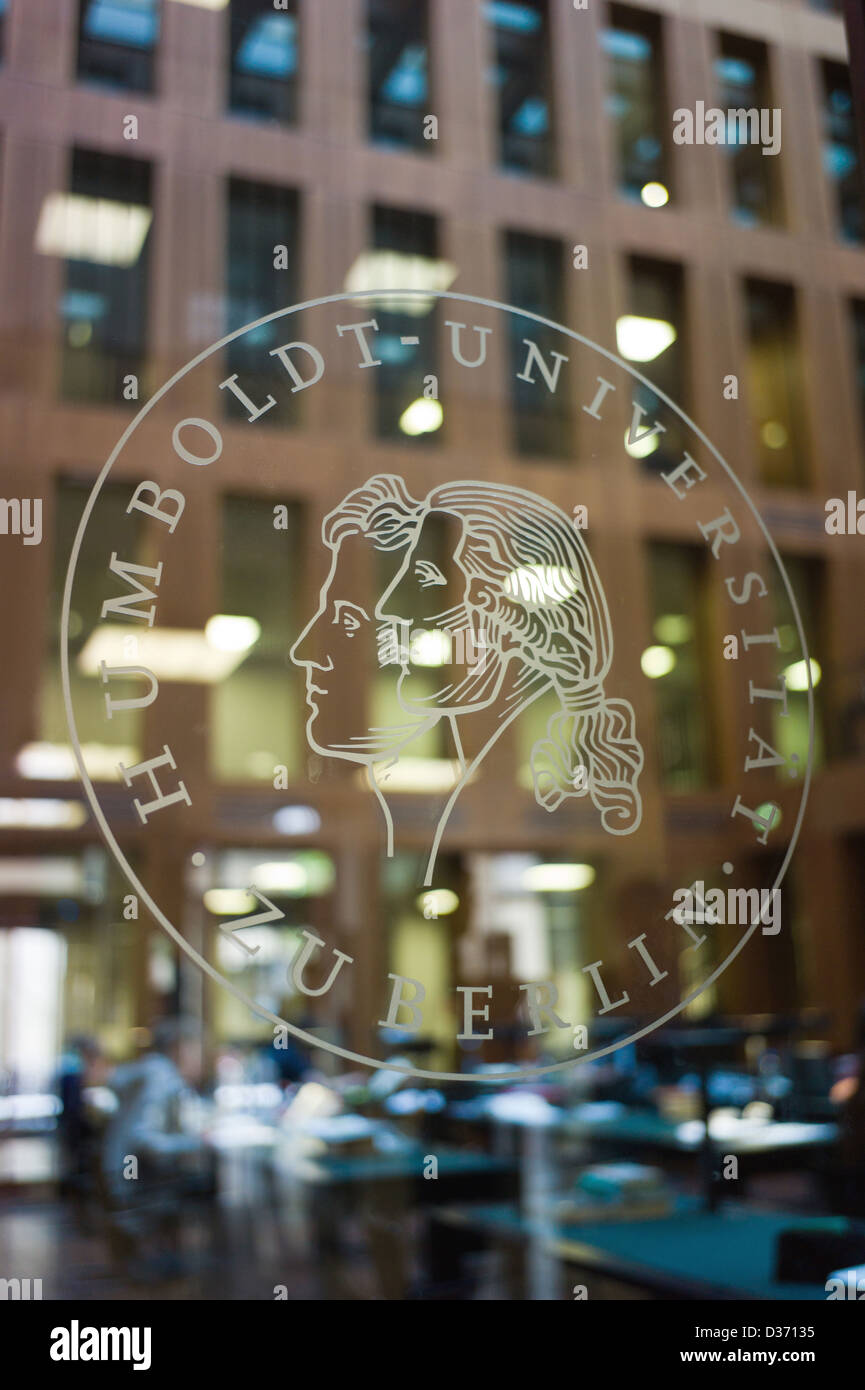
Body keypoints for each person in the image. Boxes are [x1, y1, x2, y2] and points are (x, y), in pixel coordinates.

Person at [101, 1017, 210, 1281]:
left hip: (120, 1168)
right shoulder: (162, 1078)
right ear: (178, 1048)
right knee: (214, 1189)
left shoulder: (149, 1070)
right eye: (195, 1049)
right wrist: (198, 1141)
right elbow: (144, 1140)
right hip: (137, 1178)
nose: (200, 1058)